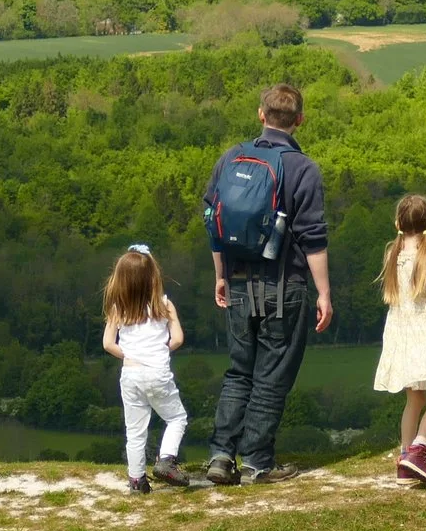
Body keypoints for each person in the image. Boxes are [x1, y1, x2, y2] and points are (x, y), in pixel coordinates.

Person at [202, 81, 331, 484]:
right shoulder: (303, 168)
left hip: (238, 281)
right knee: (272, 375)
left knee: (239, 371)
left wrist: (221, 275)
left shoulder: (232, 157)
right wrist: (324, 292)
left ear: (261, 115)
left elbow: (212, 220)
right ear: (299, 120)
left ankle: (221, 457)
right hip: (284, 286)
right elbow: (313, 237)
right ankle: (258, 461)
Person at [374, 194, 426, 489]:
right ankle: (419, 449)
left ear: (397, 223)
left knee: (414, 400)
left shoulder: (391, 256)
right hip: (424, 337)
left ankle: (405, 463)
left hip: (401, 337)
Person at [102, 244, 190, 494]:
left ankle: (136, 480)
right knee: (176, 418)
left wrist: (130, 354)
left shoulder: (119, 308)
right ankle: (166, 460)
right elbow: (178, 339)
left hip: (130, 374)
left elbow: (108, 344)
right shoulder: (164, 305)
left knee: (135, 430)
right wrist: (159, 351)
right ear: (153, 276)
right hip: (157, 373)